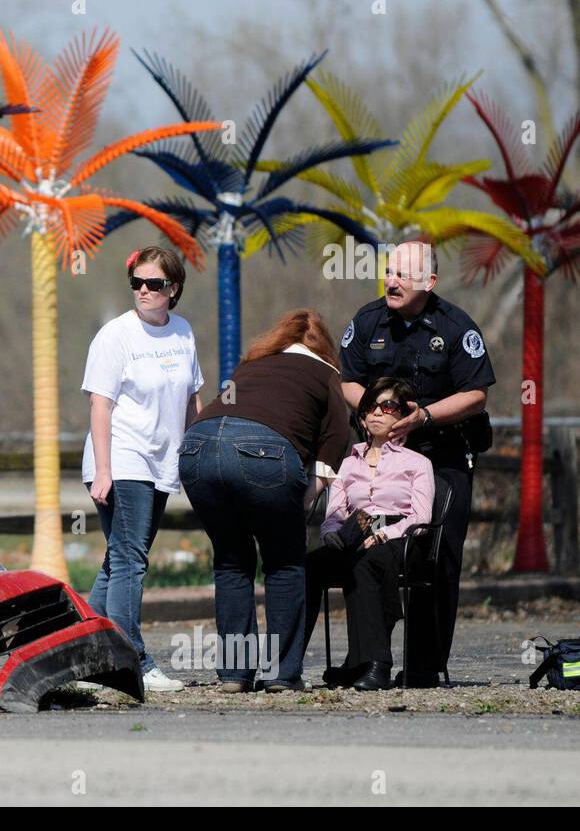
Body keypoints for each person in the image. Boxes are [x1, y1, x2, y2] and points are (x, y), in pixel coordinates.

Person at [338, 241, 495, 687]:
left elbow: (477, 393)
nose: (392, 281)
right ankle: (367, 660)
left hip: (441, 457)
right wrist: (378, 414)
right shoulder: (367, 322)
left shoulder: (456, 326)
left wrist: (422, 417)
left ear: (429, 282)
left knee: (437, 553)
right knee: (365, 543)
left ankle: (424, 665)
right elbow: (346, 381)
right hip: (379, 457)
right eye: (389, 272)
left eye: (403, 275)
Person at [180, 309, 351, 693]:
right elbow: (338, 437)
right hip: (263, 451)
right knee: (285, 563)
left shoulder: (251, 366)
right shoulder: (326, 373)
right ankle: (281, 674)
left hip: (196, 447)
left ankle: (234, 675)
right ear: (323, 348)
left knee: (230, 561)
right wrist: (313, 490)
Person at [81, 246, 204, 693]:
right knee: (131, 559)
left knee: (118, 562)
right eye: (137, 283)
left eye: (154, 284)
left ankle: (80, 650)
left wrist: (197, 454)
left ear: (174, 289)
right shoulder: (116, 336)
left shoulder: (183, 333)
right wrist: (104, 470)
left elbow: (193, 399)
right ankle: (132, 659)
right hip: (122, 457)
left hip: (160, 462)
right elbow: (100, 404)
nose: (144, 291)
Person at [303, 378, 435, 691]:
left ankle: (376, 665)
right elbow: (334, 515)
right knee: (307, 567)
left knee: (364, 560)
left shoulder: (418, 463)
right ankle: (287, 662)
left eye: (387, 406)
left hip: (402, 539)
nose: (376, 412)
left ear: (402, 416)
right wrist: (331, 533)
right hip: (354, 533)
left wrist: (385, 534)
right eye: (370, 407)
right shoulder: (346, 465)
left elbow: (421, 517)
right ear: (361, 418)